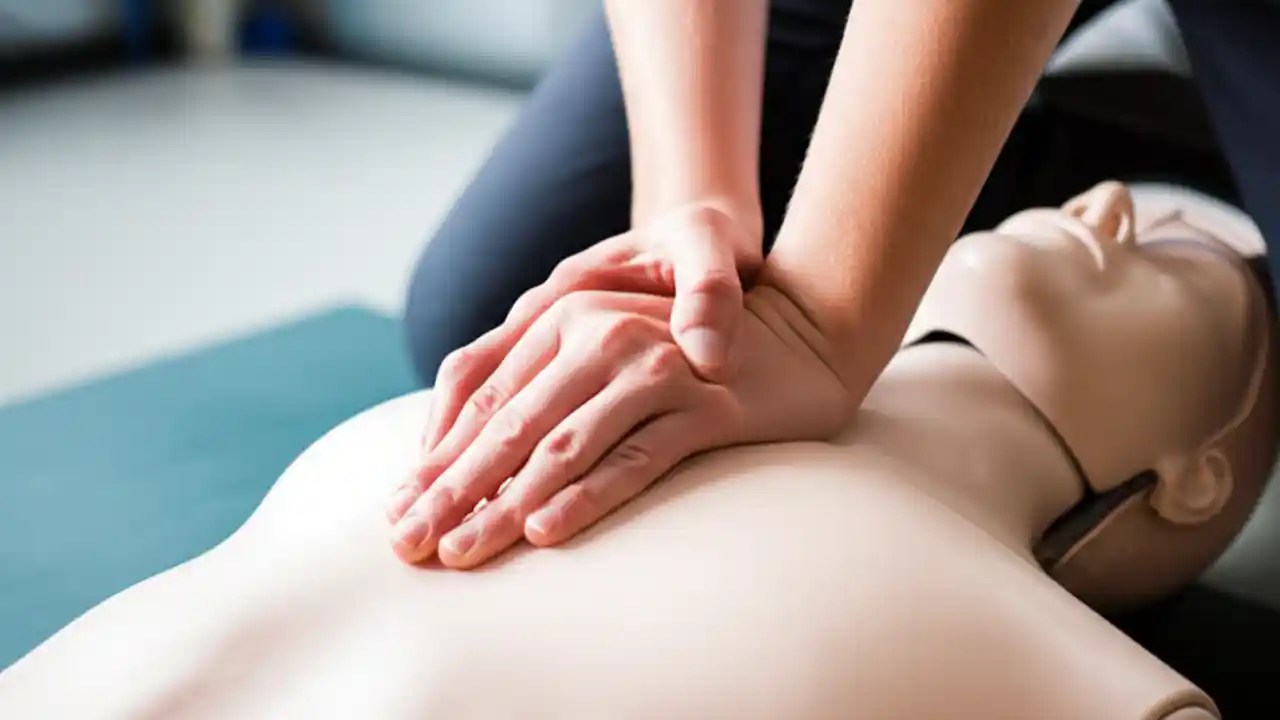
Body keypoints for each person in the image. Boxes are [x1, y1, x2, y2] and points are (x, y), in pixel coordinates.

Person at [0, 183, 1273, 718]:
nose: (1105, 205)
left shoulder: (1026, 636)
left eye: (1166, 250)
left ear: (1191, 475)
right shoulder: (550, 375)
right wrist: (698, 233)